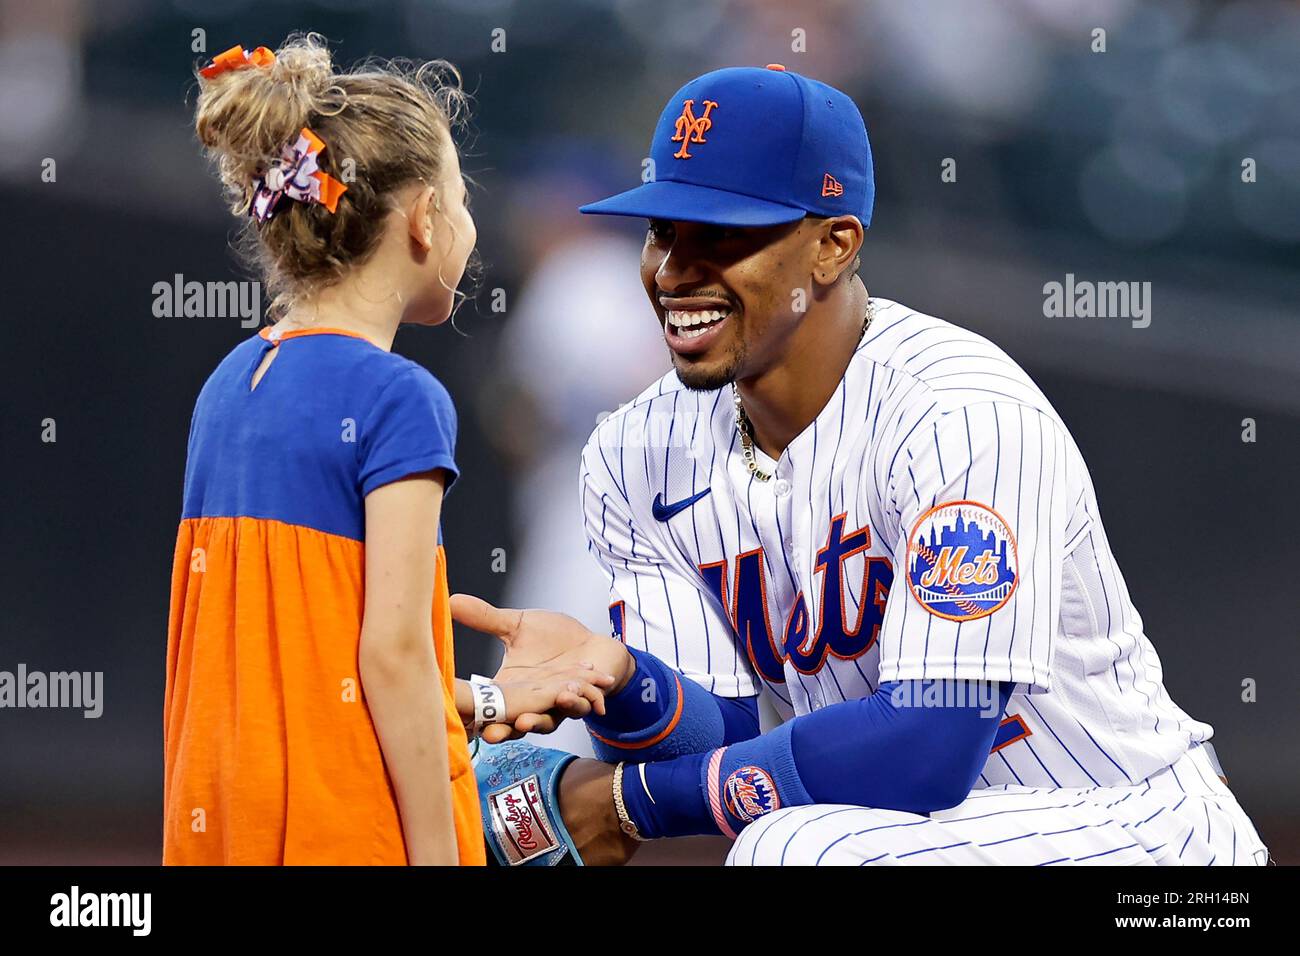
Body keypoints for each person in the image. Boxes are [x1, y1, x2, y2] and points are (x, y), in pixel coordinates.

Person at [454, 65, 1269, 866]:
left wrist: (629, 806)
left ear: (833, 247)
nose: (672, 273)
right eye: (664, 232)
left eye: (722, 237)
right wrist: (626, 685)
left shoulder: (957, 411)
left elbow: (928, 745)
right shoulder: (636, 452)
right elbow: (723, 736)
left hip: (1138, 842)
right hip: (916, 840)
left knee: (794, 850)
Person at [164, 36, 612, 866]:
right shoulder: (399, 399)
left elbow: (308, 663)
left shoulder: (229, 383)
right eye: (462, 197)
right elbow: (391, 657)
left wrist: (487, 697)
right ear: (425, 219)